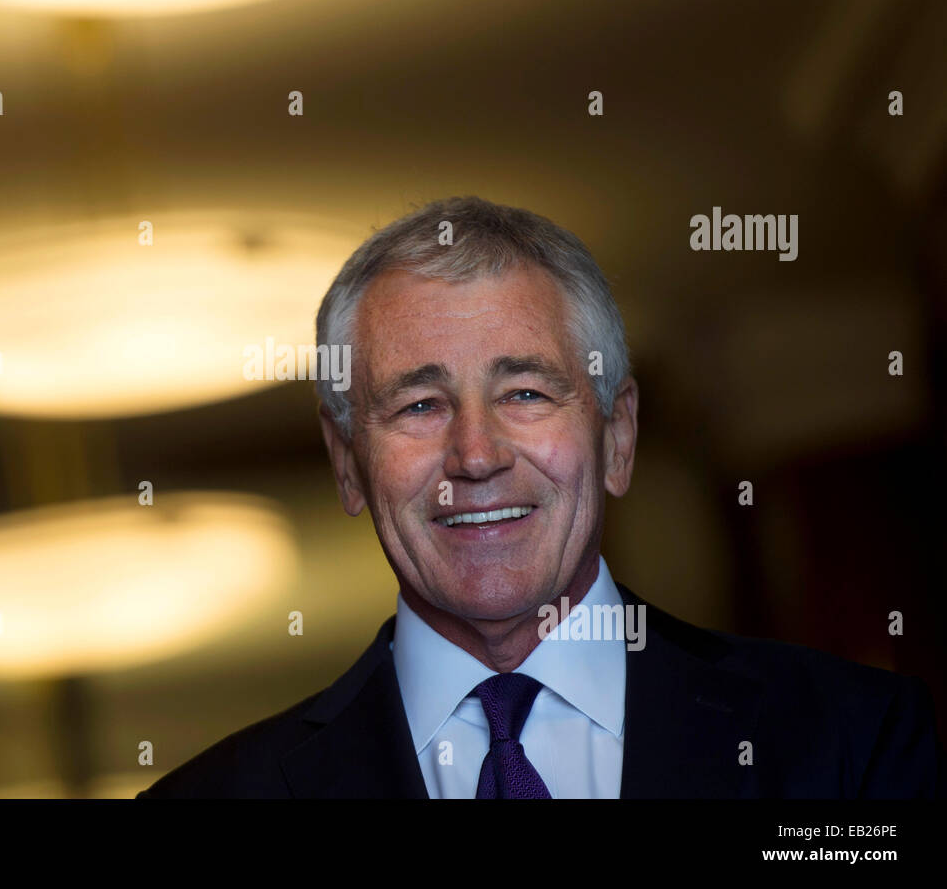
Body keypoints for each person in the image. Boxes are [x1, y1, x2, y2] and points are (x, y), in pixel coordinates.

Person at [138, 196, 942, 798]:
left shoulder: (852, 744)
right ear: (347, 461)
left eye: (524, 392)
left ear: (617, 436)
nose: (477, 454)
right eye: (419, 405)